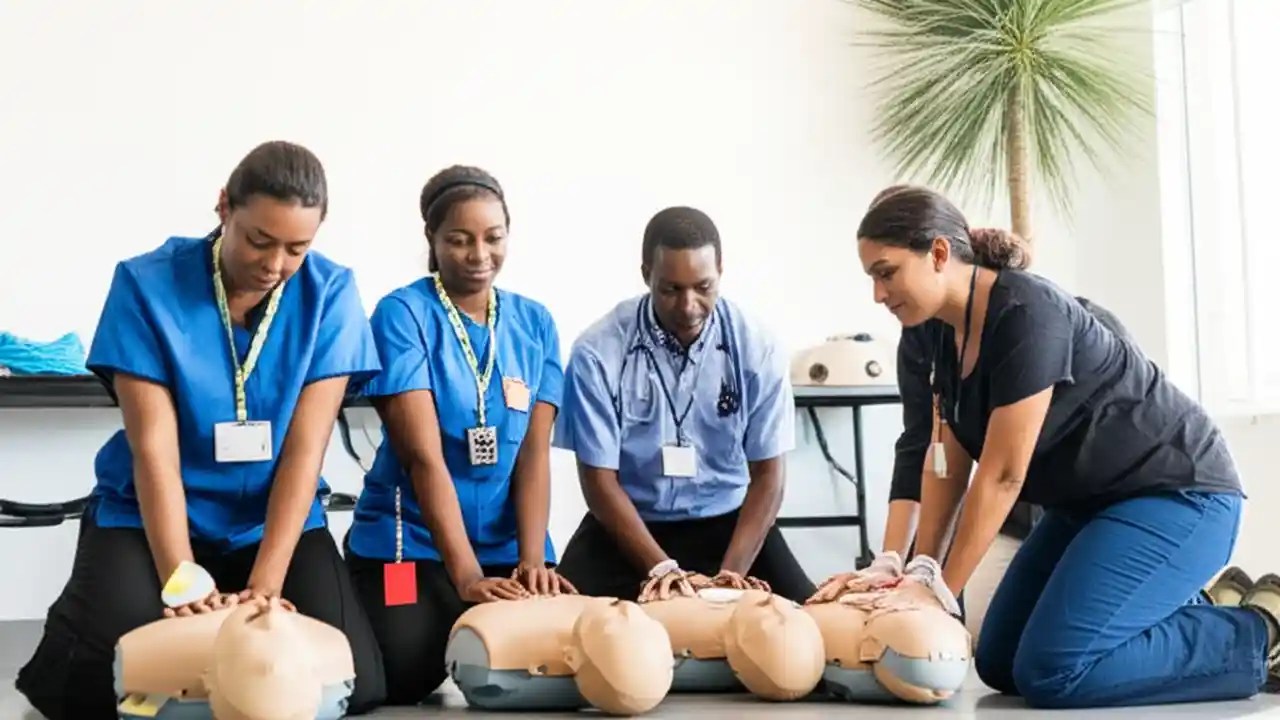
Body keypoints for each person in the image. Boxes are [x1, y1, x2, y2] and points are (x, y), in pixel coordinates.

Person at [815, 185, 1280, 708]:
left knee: (1053, 671)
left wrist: (936, 595)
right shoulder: (935, 333)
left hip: (1177, 496)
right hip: (1085, 506)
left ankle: (1255, 632)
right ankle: (1167, 605)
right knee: (999, 661)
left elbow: (1003, 475)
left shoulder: (1026, 312)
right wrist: (916, 568)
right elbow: (945, 464)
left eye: (886, 272)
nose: (878, 294)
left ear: (939, 254)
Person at [16, 141, 387, 717]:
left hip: (270, 520)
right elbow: (154, 455)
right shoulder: (146, 285)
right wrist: (182, 581)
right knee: (96, 686)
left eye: (296, 248)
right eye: (259, 240)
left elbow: (304, 452)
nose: (274, 264)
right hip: (150, 518)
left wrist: (266, 585)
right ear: (223, 208)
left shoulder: (330, 293)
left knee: (349, 684)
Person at [343, 165, 574, 706]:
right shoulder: (403, 314)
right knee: (403, 674)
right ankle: (448, 609)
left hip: (503, 547)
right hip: (410, 548)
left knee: (546, 663)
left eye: (493, 238)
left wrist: (533, 560)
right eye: (460, 240)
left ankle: (471, 611)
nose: (479, 255)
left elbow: (534, 455)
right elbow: (423, 457)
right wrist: (467, 579)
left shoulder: (535, 323)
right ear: (432, 240)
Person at [551, 205, 815, 604]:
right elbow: (599, 481)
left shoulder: (758, 347)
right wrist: (662, 570)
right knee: (557, 624)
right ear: (646, 276)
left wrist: (731, 577)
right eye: (671, 289)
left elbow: (769, 477)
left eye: (703, 287)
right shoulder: (597, 351)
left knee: (811, 626)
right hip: (629, 528)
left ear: (721, 272)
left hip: (730, 524)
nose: (688, 305)